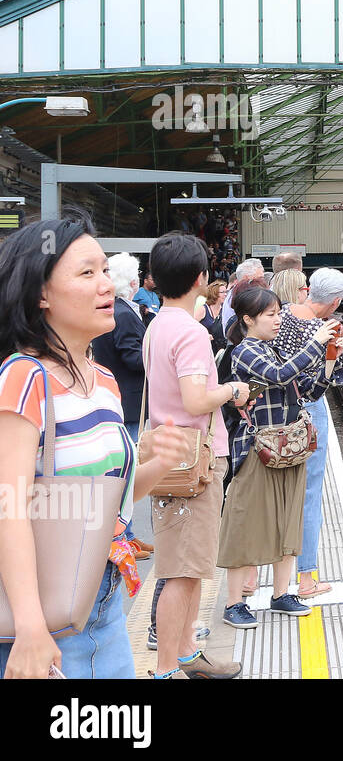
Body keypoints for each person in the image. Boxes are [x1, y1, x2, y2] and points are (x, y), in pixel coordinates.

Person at [0, 215, 190, 679]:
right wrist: (30, 628)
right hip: (46, 614)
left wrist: (158, 463)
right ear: (41, 293)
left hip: (102, 603)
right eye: (87, 273)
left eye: (106, 270)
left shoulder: (103, 381)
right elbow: (9, 507)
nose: (107, 284)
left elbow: (109, 501)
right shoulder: (24, 379)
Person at [145, 233, 250, 679]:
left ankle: (188, 654)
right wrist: (232, 389)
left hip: (175, 458)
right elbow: (193, 400)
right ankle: (167, 668)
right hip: (194, 463)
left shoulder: (157, 324)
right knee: (184, 572)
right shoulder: (188, 331)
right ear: (201, 278)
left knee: (187, 567)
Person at [218, 288, 340, 626]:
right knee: (246, 523)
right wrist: (315, 343)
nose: (278, 319)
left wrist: (328, 361)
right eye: (270, 314)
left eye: (277, 313)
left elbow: (310, 391)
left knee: (289, 520)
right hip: (258, 449)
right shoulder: (244, 352)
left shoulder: (271, 349)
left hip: (289, 446)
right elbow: (278, 376)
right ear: (247, 319)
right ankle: (233, 603)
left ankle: (282, 594)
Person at [282, 268, 343, 598]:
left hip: (276, 409)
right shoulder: (324, 330)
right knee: (309, 494)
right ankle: (306, 578)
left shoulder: (283, 314)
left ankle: (248, 579)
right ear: (334, 301)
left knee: (278, 491)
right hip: (308, 412)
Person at [90, 253, 151, 559]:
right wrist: (155, 354)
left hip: (120, 398)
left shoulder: (114, 310)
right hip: (127, 401)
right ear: (132, 282)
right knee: (124, 472)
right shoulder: (125, 313)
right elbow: (131, 356)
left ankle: (128, 535)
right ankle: (123, 536)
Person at [222, 258, 266, 333]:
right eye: (260, 278)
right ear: (246, 278)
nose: (263, 282)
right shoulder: (239, 296)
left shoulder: (234, 293)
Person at [198, 280, 226, 354]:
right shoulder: (204, 309)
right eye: (222, 292)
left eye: (226, 292)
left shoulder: (224, 310)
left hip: (220, 349)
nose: (225, 294)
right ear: (215, 293)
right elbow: (190, 326)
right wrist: (204, 335)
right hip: (205, 349)